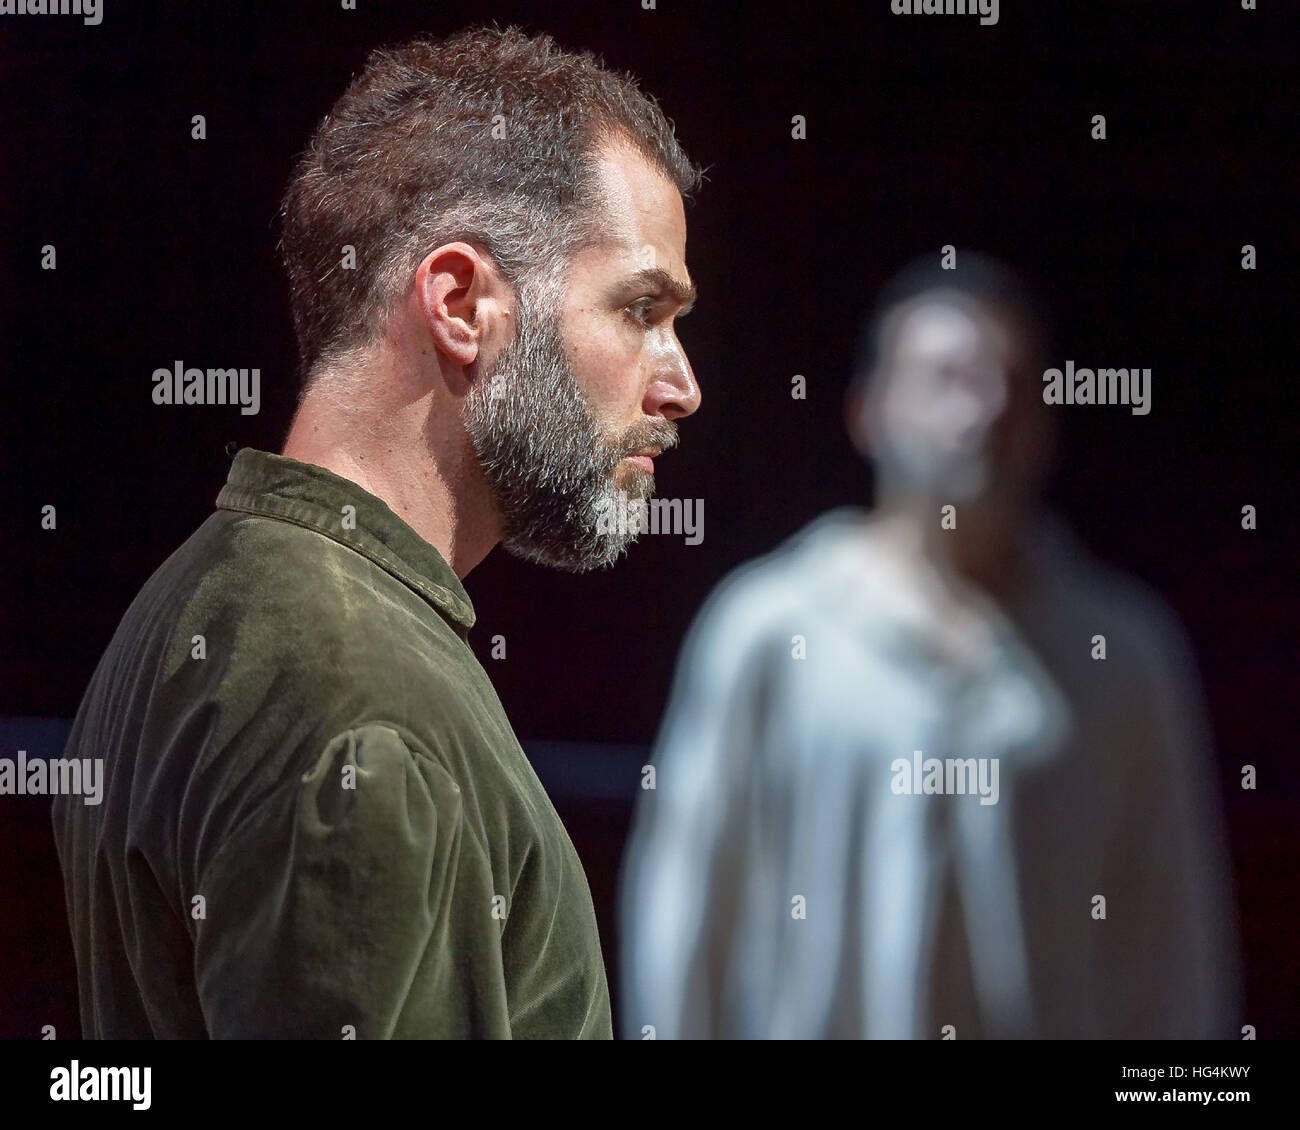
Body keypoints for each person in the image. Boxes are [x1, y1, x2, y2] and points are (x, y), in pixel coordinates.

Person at [52, 25, 702, 1039]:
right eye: (640, 307)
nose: (680, 383)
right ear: (460, 302)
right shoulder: (358, 693)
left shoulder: (202, 599)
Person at [618, 252, 1239, 1039]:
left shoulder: (1120, 651)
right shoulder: (772, 631)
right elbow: (685, 908)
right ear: (868, 410)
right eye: (947, 379)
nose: (981, 412)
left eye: (1008, 385)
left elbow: (1173, 939)